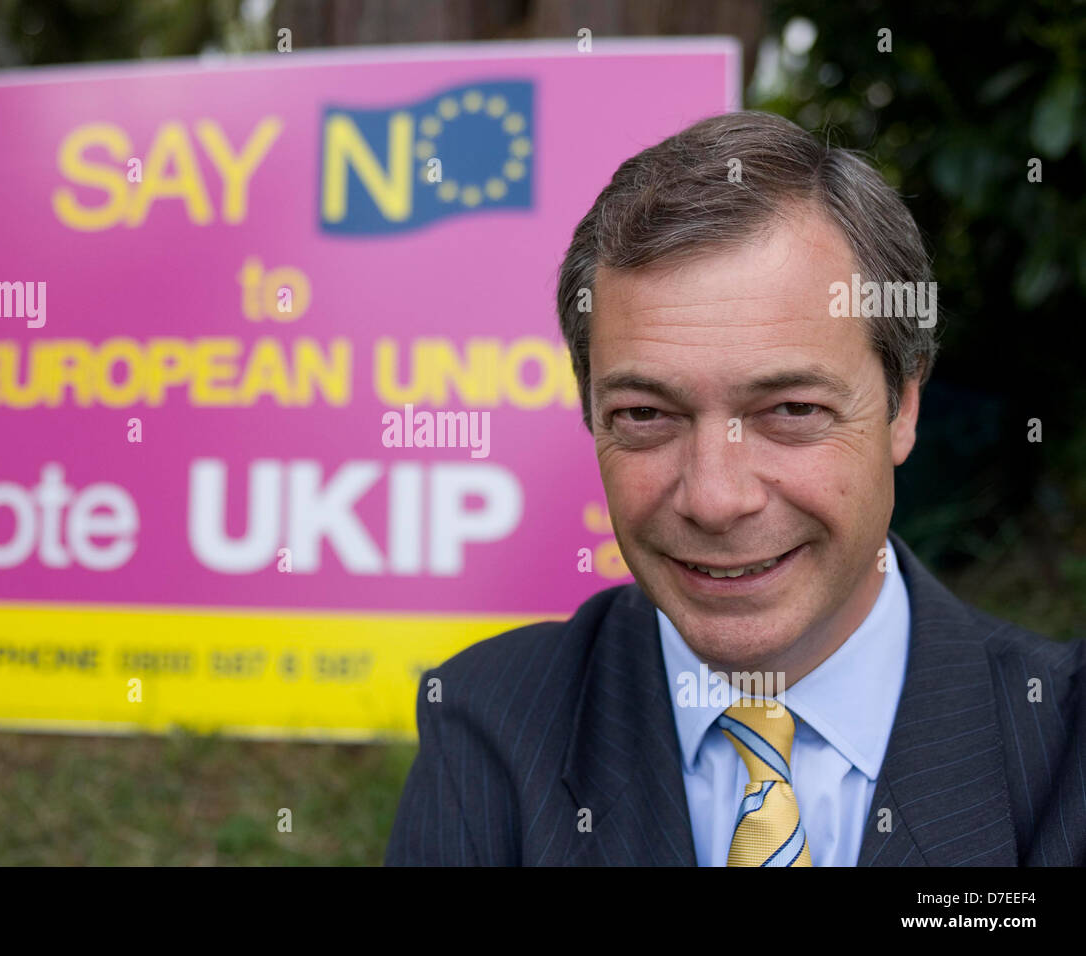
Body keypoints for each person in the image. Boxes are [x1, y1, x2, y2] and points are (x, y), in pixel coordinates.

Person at [384, 110, 1085, 867]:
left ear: (901, 407)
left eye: (791, 410)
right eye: (646, 414)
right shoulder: (488, 726)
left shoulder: (1063, 750)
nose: (714, 499)